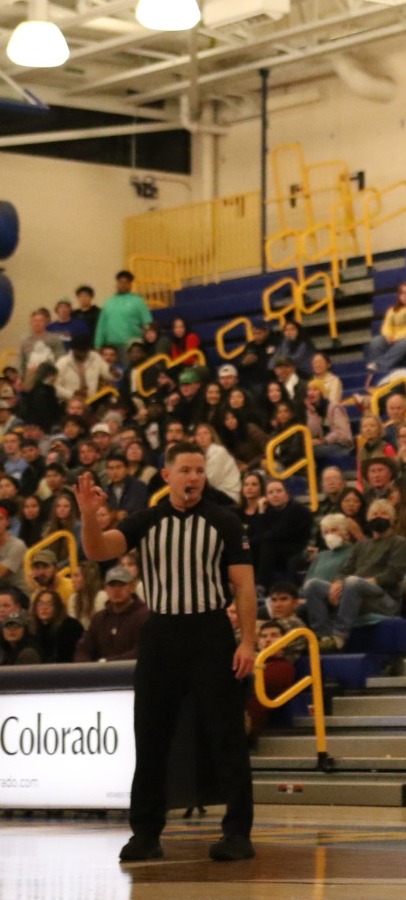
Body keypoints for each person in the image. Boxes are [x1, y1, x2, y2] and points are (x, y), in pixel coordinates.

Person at [73, 443, 259, 863]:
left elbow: (244, 586)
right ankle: (145, 833)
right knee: (151, 737)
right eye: (185, 470)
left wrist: (247, 642)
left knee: (226, 736)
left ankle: (237, 832)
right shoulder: (147, 520)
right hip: (161, 635)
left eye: (199, 470)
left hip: (210, 633)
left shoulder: (224, 521)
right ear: (167, 476)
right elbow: (98, 550)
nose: (193, 477)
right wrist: (87, 514)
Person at [95, 271, 152, 352]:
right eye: (120, 282)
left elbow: (147, 324)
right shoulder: (108, 302)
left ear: (130, 284)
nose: (123, 284)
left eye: (126, 282)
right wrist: (98, 345)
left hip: (130, 348)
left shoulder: (138, 301)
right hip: (110, 347)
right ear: (117, 283)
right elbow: (101, 326)